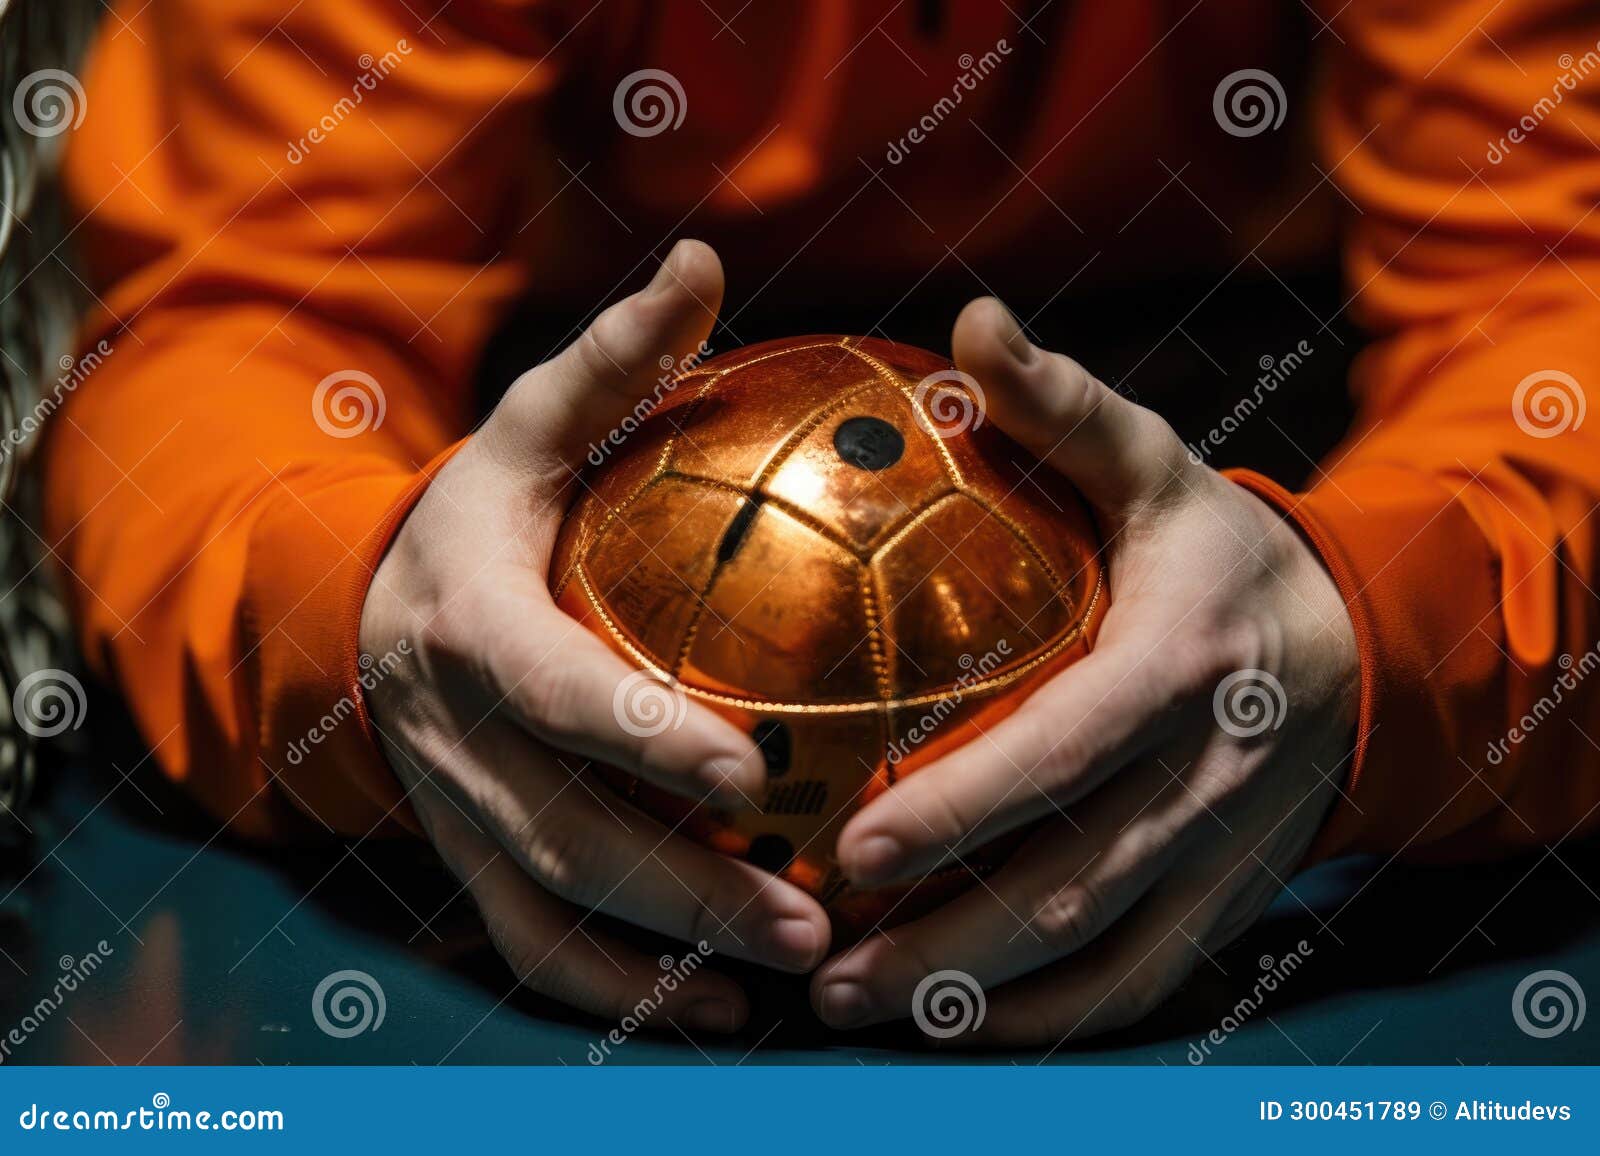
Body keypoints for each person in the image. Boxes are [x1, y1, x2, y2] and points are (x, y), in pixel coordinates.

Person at [42, 2, 1600, 1044]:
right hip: (546, 434)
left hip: (1263, 417)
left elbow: (1558, 291)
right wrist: (368, 621)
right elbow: (240, 320)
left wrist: (1375, 636)